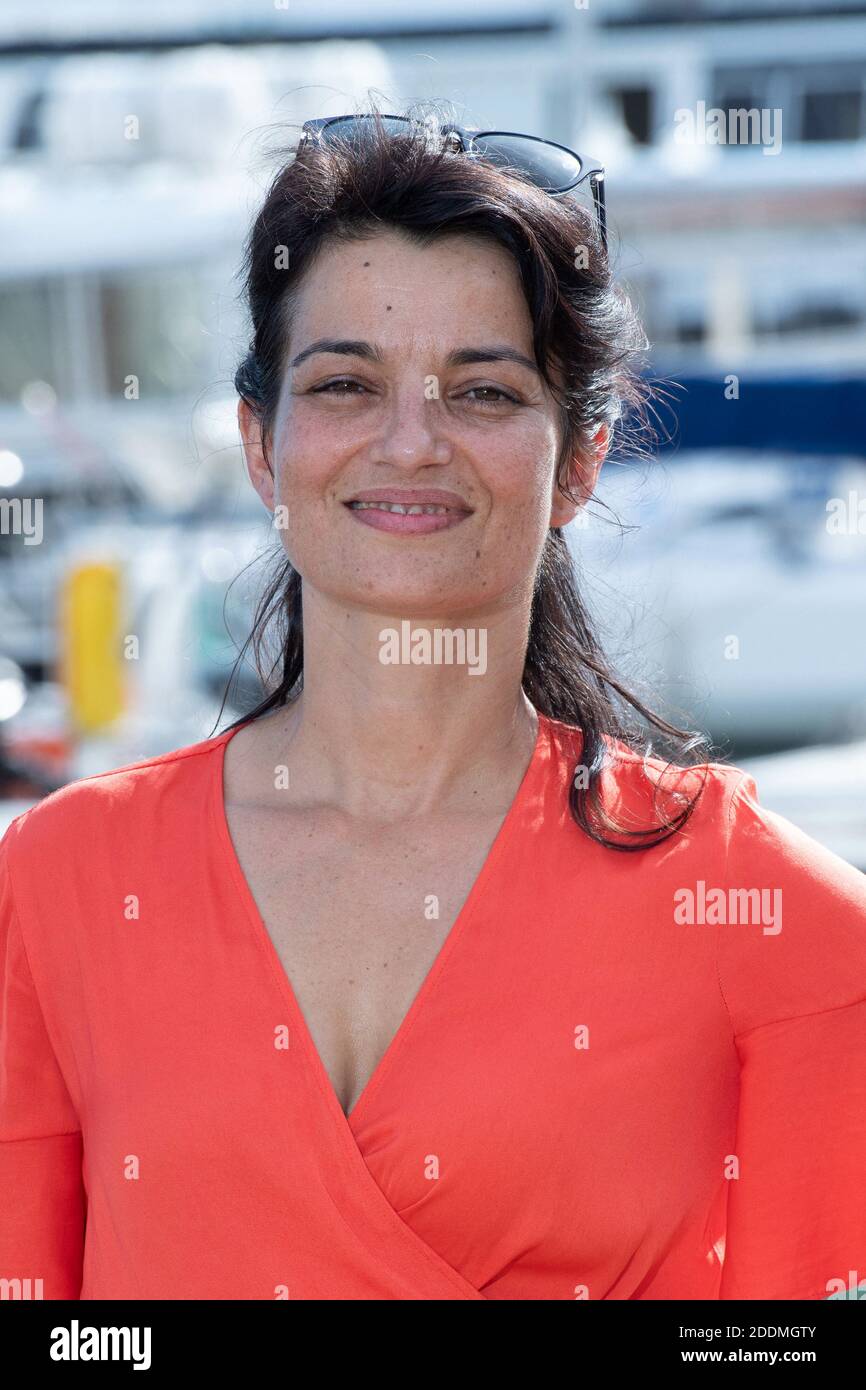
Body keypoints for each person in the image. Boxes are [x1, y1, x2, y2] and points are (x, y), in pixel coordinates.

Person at [1, 103, 865, 1302]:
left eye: (484, 391)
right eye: (347, 382)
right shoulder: (59, 887)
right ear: (262, 445)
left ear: (579, 460)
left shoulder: (775, 922)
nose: (410, 442)